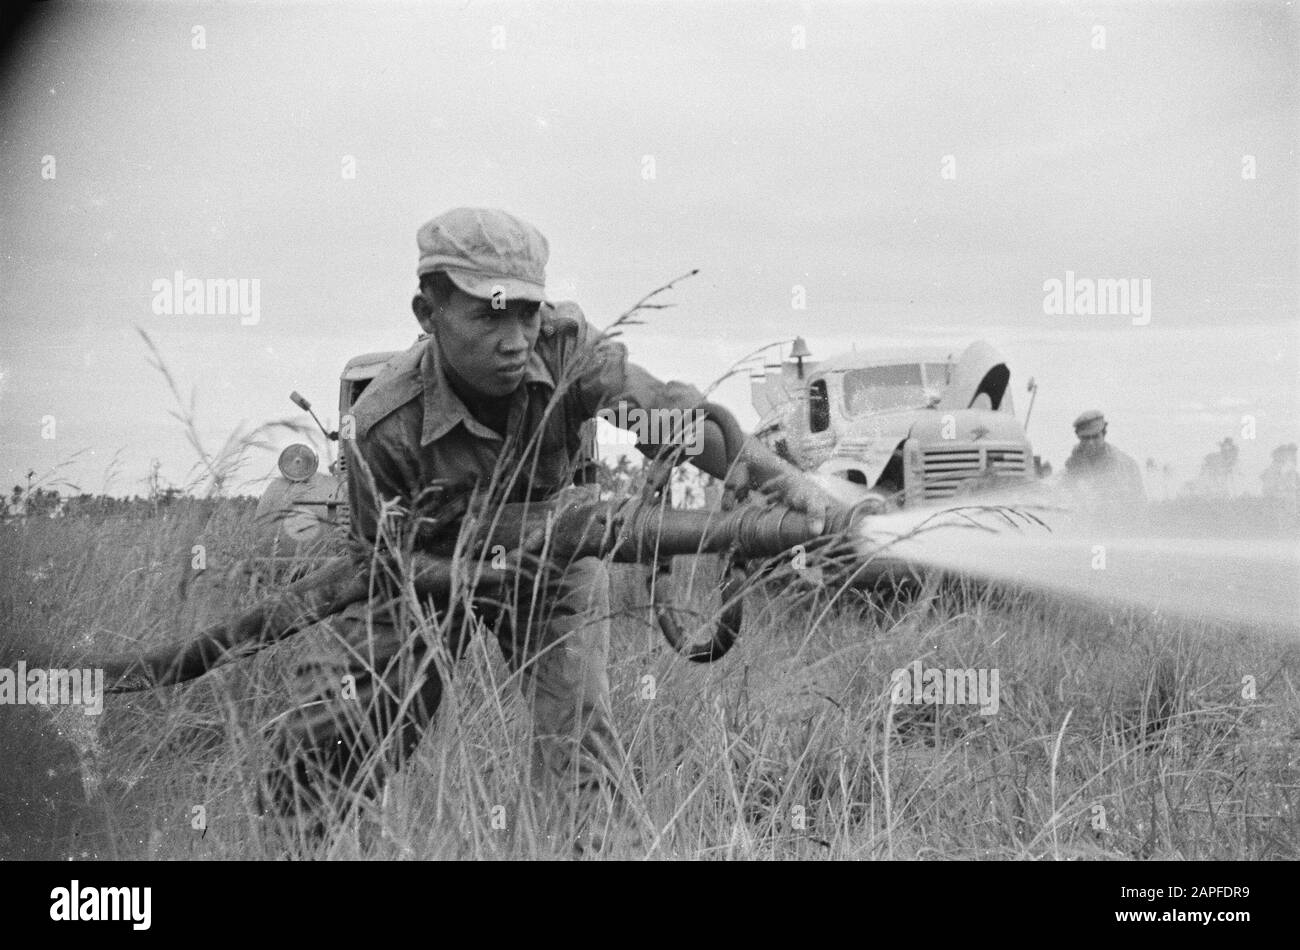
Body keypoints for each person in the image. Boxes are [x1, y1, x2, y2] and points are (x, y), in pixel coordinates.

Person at [261, 207, 832, 847]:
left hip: (555, 563)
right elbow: (381, 566)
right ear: (429, 315)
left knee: (578, 737)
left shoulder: (564, 349)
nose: (514, 340)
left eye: (526, 313)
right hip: (424, 571)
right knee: (347, 719)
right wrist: (475, 570)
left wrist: (800, 493)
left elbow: (673, 421)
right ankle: (305, 838)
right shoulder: (383, 426)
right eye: (487, 315)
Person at [1062, 409, 1145, 503]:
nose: (1090, 443)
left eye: (1095, 436)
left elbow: (1140, 503)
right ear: (1079, 438)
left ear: (1104, 434)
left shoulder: (1126, 465)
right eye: (1085, 438)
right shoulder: (1072, 467)